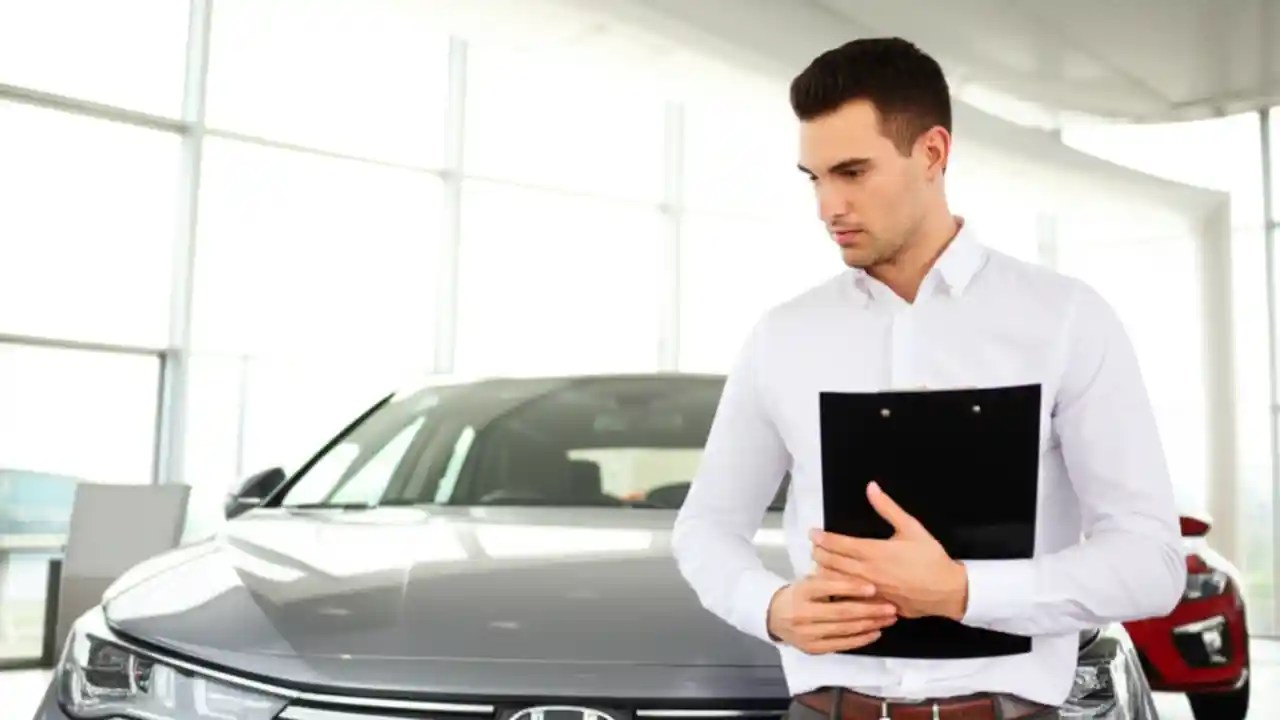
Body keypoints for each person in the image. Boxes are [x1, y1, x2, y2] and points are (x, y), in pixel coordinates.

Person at [670, 37, 1186, 720]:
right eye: (814, 177)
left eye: (853, 172)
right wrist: (770, 607)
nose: (828, 206)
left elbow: (1151, 562)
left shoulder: (1065, 320)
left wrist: (962, 591)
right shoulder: (784, 337)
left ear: (933, 154)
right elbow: (706, 527)